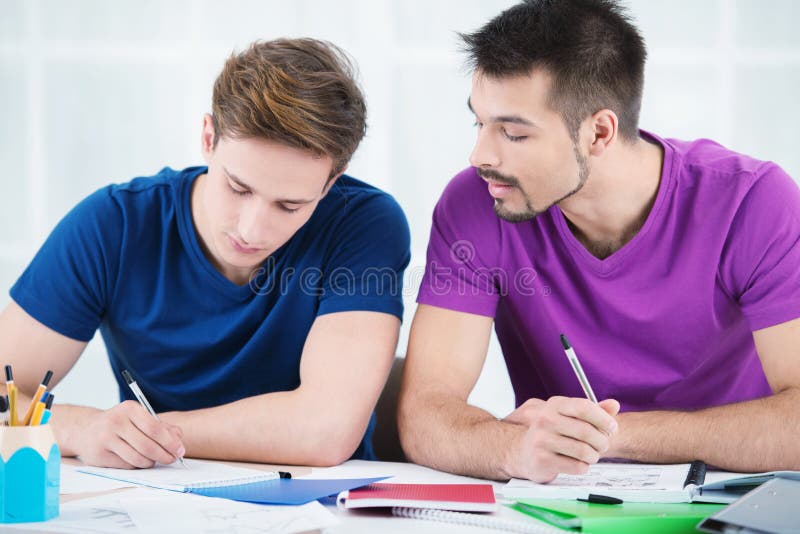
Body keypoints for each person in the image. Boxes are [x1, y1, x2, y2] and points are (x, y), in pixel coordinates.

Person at [398, 0, 800, 483]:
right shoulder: (477, 203)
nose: (480, 154)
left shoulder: (753, 203)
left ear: (599, 132)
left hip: (731, 499)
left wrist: (609, 436)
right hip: (568, 504)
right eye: (479, 122)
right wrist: (512, 447)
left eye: (513, 133)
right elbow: (424, 417)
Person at [0, 38, 410, 468]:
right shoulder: (114, 225)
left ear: (330, 183)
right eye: (238, 187)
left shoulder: (363, 224)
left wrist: (152, 434)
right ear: (208, 138)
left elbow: (324, 432)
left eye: (290, 206)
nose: (252, 230)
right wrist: (81, 428)